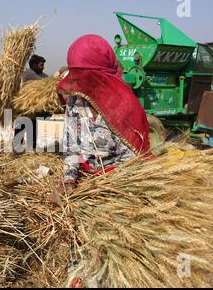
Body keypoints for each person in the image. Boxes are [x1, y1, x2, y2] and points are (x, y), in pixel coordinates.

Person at [52, 34, 151, 200]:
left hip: (119, 184)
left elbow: (132, 159)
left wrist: (106, 185)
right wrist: (68, 179)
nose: (79, 80)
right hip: (86, 179)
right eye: (76, 74)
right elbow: (71, 146)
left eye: (84, 74)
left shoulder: (123, 103)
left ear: (100, 73)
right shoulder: (74, 101)